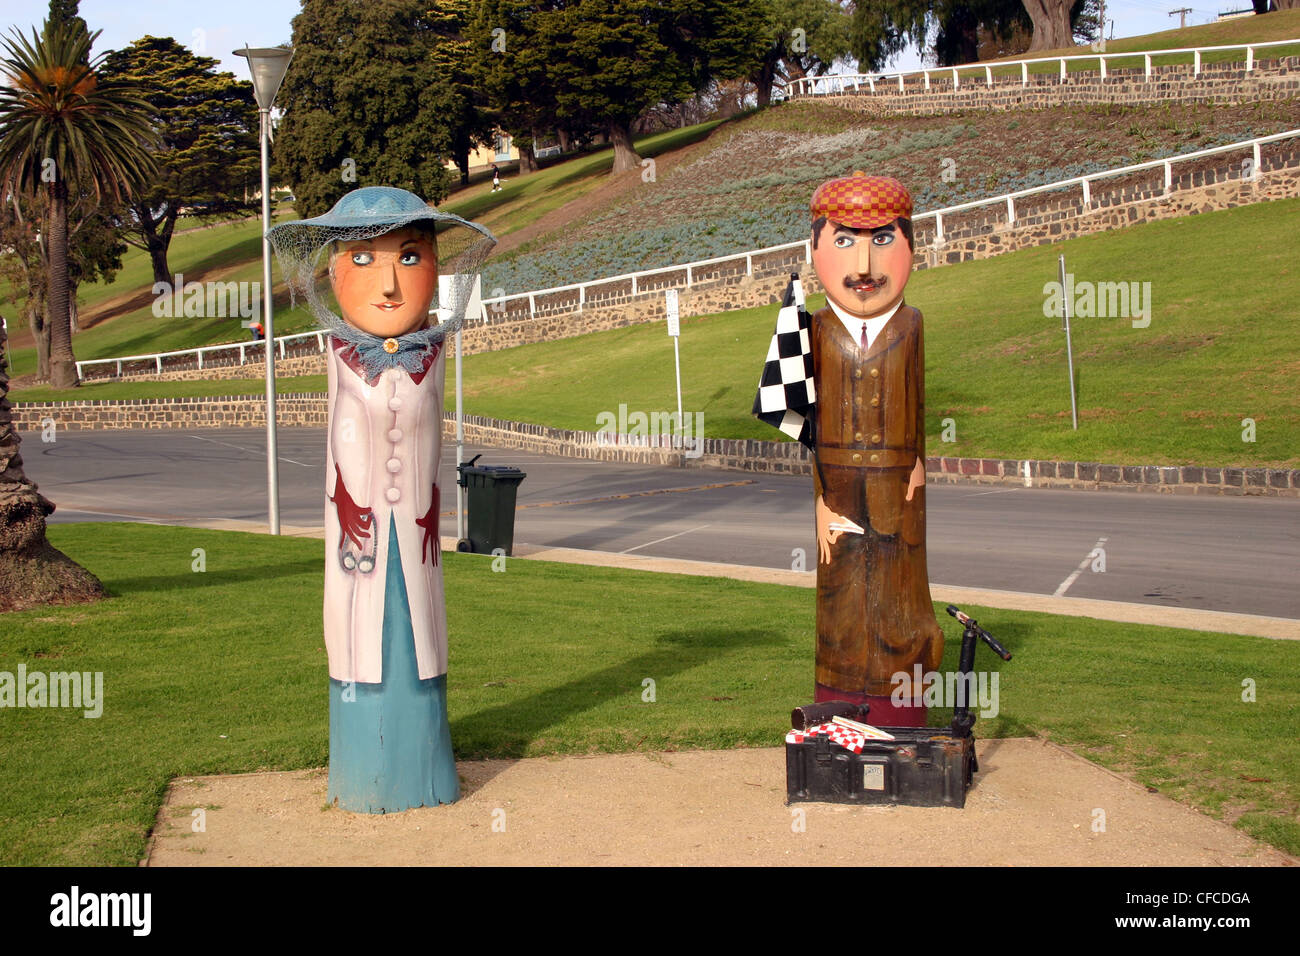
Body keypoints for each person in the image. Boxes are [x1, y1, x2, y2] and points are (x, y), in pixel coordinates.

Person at [267, 187, 495, 811]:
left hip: (417, 537)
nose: (390, 284)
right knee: (359, 635)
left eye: (411, 257)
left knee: (420, 635)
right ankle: (365, 778)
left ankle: (423, 772)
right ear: (335, 271)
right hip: (356, 539)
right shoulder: (339, 352)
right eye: (364, 259)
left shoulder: (436, 351)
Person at [756, 173, 943, 727]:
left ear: (912, 244)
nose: (864, 265)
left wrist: (915, 471)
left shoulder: (910, 326)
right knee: (837, 591)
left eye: (882, 239)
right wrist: (819, 496)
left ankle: (897, 708)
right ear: (814, 248)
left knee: (899, 591)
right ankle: (839, 696)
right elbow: (800, 412)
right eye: (844, 241)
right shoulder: (811, 331)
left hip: (897, 486)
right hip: (833, 482)